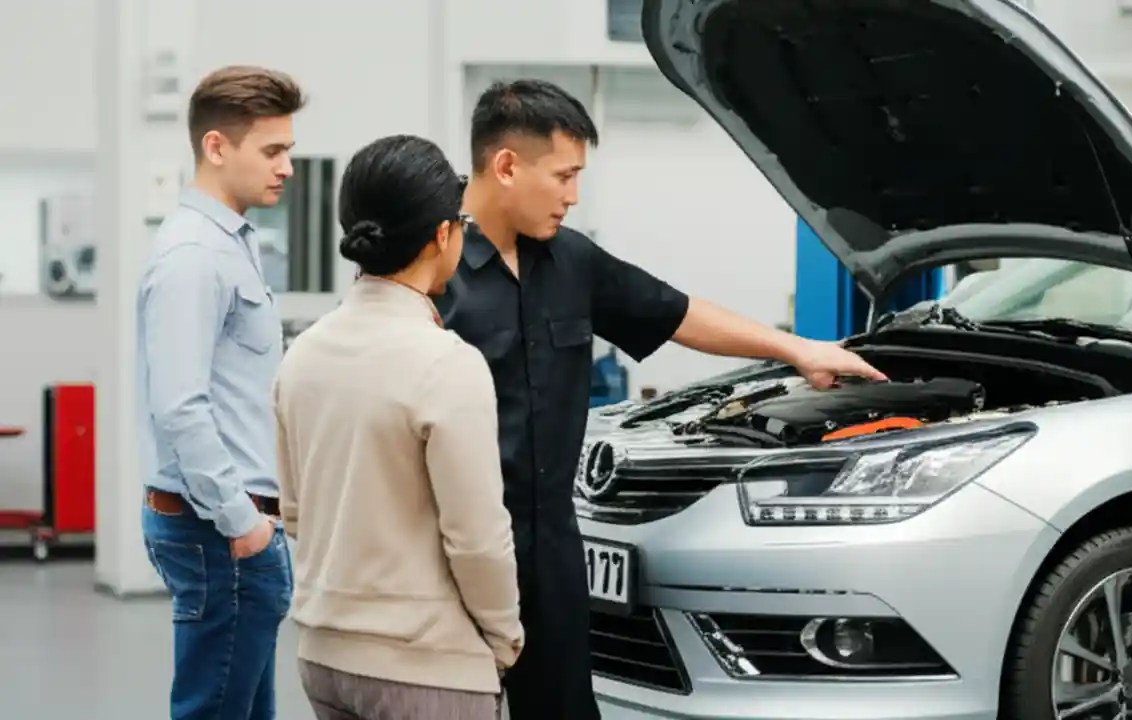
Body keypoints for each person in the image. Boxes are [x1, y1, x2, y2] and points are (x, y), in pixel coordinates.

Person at [437, 78, 888, 719]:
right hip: (456, 552)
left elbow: (676, 313)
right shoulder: (433, 269)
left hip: (554, 547)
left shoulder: (572, 261)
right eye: (563, 176)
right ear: (506, 166)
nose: (573, 195)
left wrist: (797, 349)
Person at [273, 134, 524, 719]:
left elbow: (294, 512)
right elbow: (477, 537)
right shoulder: (446, 363)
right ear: (442, 234)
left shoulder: (303, 354)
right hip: (425, 666)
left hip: (324, 657)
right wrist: (504, 636)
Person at [136, 65, 306, 719]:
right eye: (273, 151)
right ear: (216, 146)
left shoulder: (231, 244)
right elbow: (180, 405)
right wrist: (242, 524)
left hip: (231, 527)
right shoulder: (194, 257)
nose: (287, 166)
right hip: (220, 530)